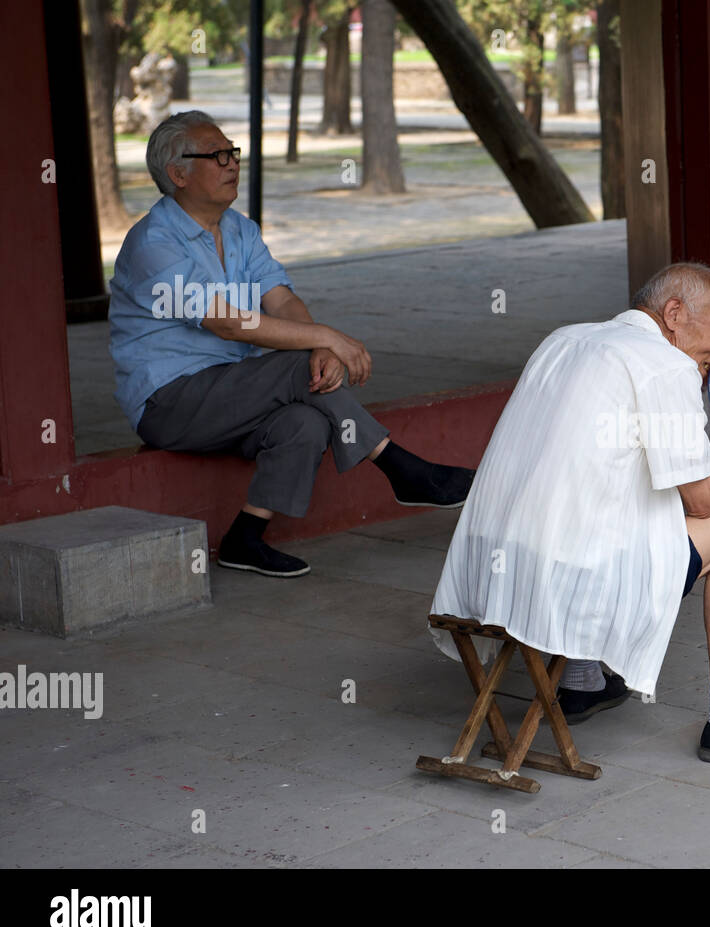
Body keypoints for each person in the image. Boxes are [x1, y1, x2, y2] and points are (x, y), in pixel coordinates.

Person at [431, 263, 710, 763]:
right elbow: (702, 501)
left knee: (586, 517)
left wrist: (706, 466)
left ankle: (581, 679)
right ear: (674, 314)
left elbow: (601, 460)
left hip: (489, 574)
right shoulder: (664, 362)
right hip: (565, 583)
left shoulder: (564, 340)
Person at [109, 111, 473, 577]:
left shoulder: (240, 230)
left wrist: (319, 347)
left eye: (232, 153)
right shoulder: (151, 243)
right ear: (177, 174)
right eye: (216, 156)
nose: (231, 164)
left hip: (229, 395)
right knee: (297, 370)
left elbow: (281, 301)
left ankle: (245, 536)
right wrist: (323, 339)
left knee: (304, 422)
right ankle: (402, 469)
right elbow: (227, 324)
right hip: (169, 403)